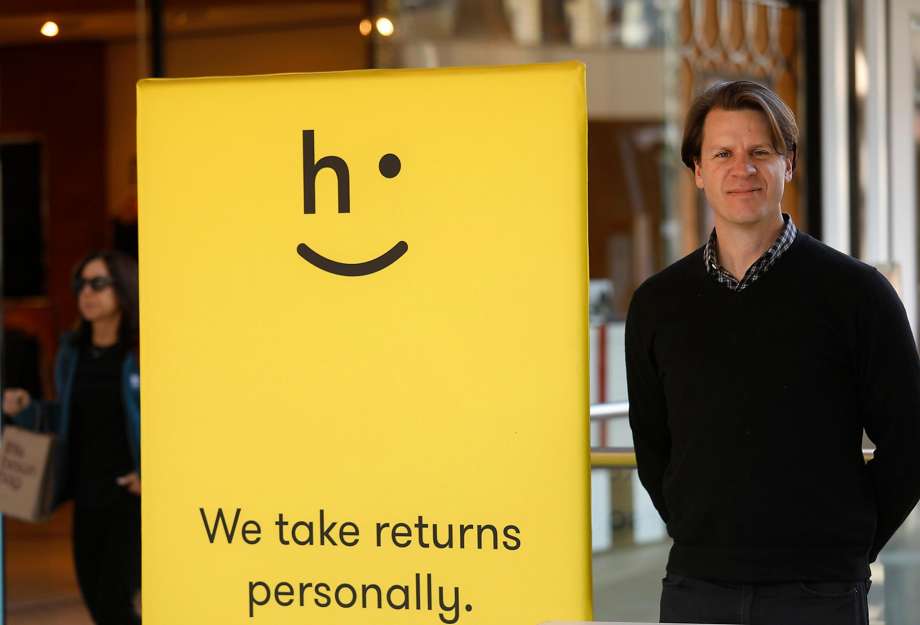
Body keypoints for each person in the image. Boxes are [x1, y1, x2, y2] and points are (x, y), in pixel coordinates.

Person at [625, 80, 920, 625]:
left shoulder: (857, 295)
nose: (744, 169)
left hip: (819, 593)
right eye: (723, 153)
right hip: (696, 589)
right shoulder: (657, 304)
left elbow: (911, 439)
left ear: (789, 164)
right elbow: (653, 446)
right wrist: (700, 533)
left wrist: (848, 546)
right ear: (697, 170)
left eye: (761, 152)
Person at [2, 250, 141, 625]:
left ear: (123, 289)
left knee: (116, 602)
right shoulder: (72, 353)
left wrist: (150, 473)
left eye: (98, 283)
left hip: (129, 498)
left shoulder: (140, 354)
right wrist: (27, 409)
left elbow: (165, 421)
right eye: (81, 284)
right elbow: (64, 416)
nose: (87, 293)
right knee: (95, 599)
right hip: (86, 493)